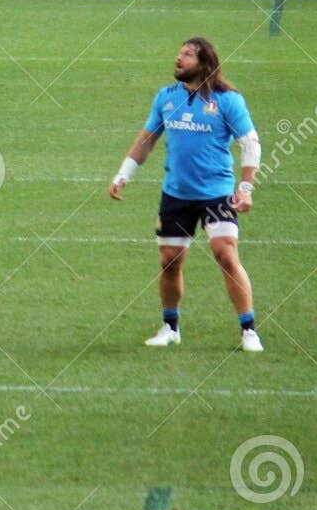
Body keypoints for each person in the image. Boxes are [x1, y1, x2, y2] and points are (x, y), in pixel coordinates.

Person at [109, 38, 263, 352]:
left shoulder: (228, 100)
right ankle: (170, 327)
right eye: (179, 53)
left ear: (204, 63)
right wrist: (123, 174)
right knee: (170, 261)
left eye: (188, 55)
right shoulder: (167, 97)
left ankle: (249, 330)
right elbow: (146, 140)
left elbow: (250, 143)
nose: (179, 58)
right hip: (176, 194)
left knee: (225, 254)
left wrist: (245, 189)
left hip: (216, 193)